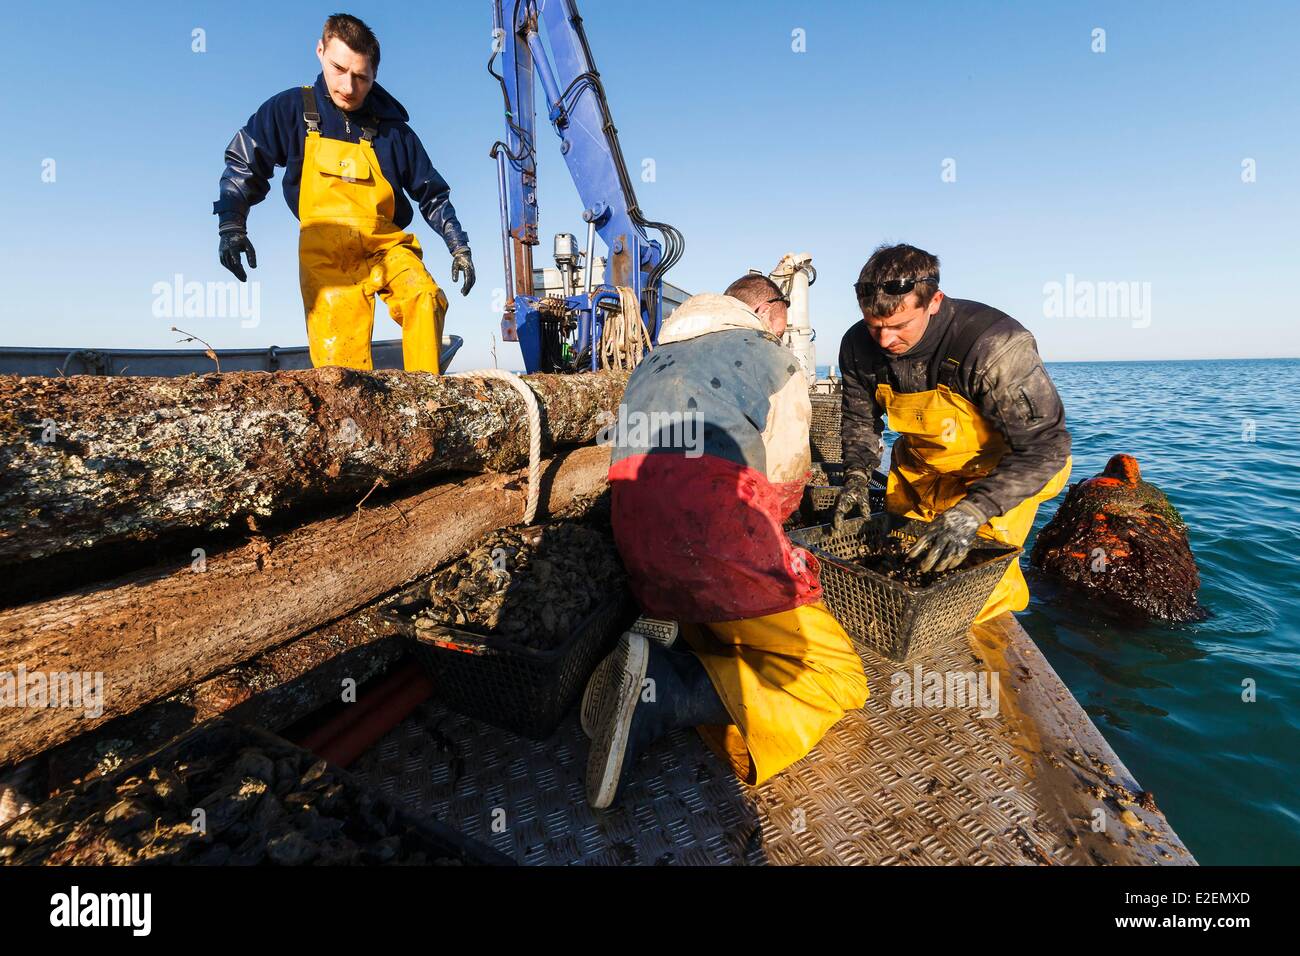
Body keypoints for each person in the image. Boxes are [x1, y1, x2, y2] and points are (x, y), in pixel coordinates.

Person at [584, 274, 870, 810]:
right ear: (766, 310)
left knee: (728, 638)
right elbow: (785, 486)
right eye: (783, 316)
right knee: (841, 679)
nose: (785, 332)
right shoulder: (772, 359)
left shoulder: (650, 362)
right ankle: (666, 692)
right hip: (714, 545)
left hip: (641, 558)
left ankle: (663, 657)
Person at [213, 13, 474, 373]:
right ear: (320, 51)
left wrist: (458, 245)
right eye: (338, 69)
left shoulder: (394, 131)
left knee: (425, 298)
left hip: (386, 245)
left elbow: (432, 194)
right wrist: (232, 225)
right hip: (327, 256)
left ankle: (425, 398)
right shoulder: (290, 109)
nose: (349, 87)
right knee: (343, 369)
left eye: (361, 77)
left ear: (374, 76)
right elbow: (245, 162)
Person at [833, 243, 1072, 622]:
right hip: (923, 470)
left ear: (935, 302)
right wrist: (858, 476)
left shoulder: (995, 345)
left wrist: (973, 511)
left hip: (999, 475)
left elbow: (1045, 448)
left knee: (977, 593)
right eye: (874, 325)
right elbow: (860, 421)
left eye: (898, 326)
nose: (884, 340)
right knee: (895, 560)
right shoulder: (857, 345)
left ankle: (986, 656)